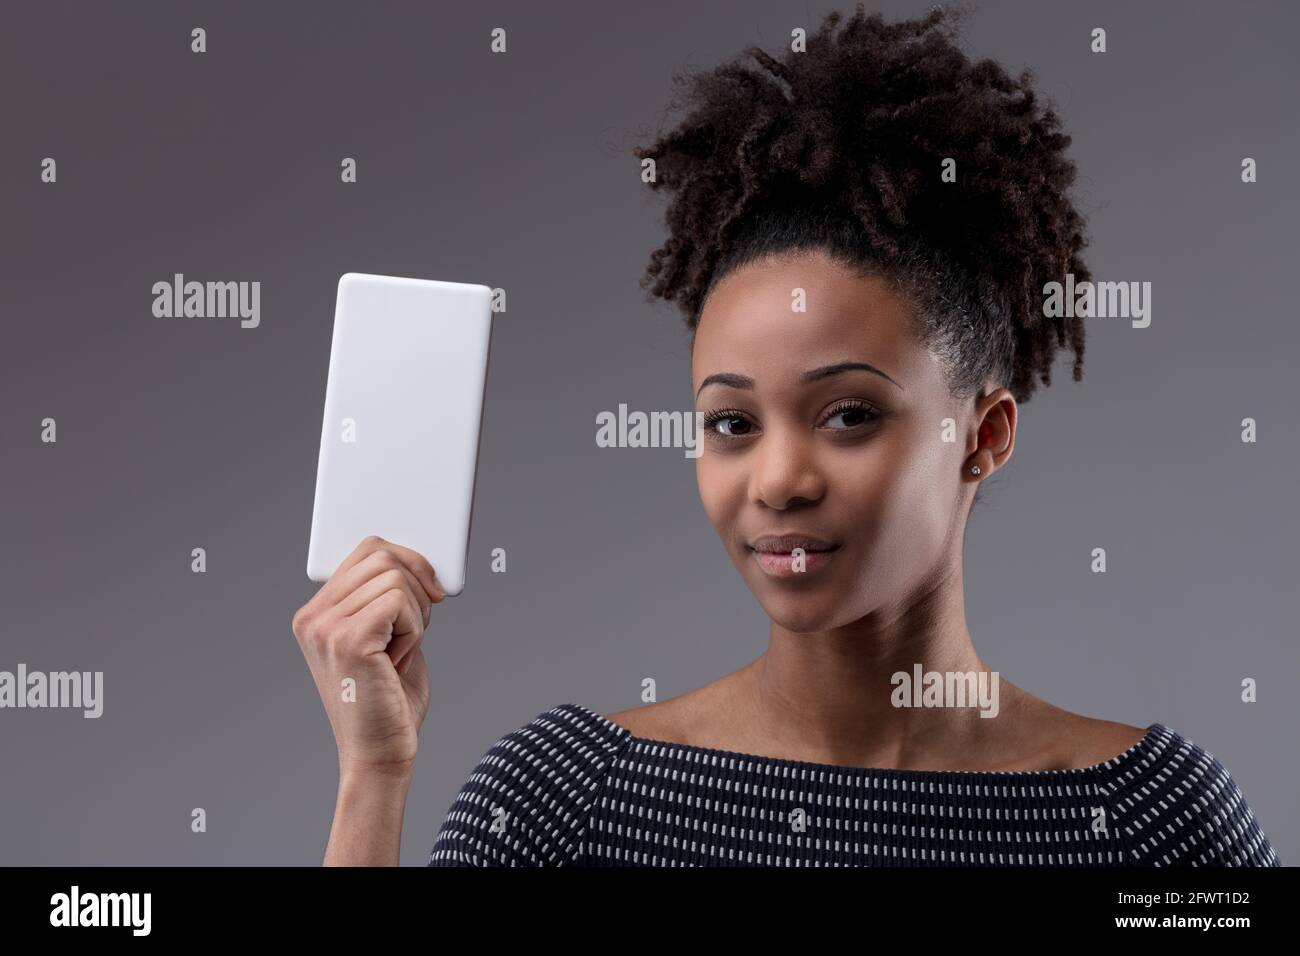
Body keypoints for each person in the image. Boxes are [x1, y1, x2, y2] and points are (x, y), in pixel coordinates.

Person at [291, 4, 1280, 867]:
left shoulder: (1153, 820)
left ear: (983, 432)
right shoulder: (565, 802)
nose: (777, 478)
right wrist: (373, 775)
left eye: (847, 413)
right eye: (730, 422)